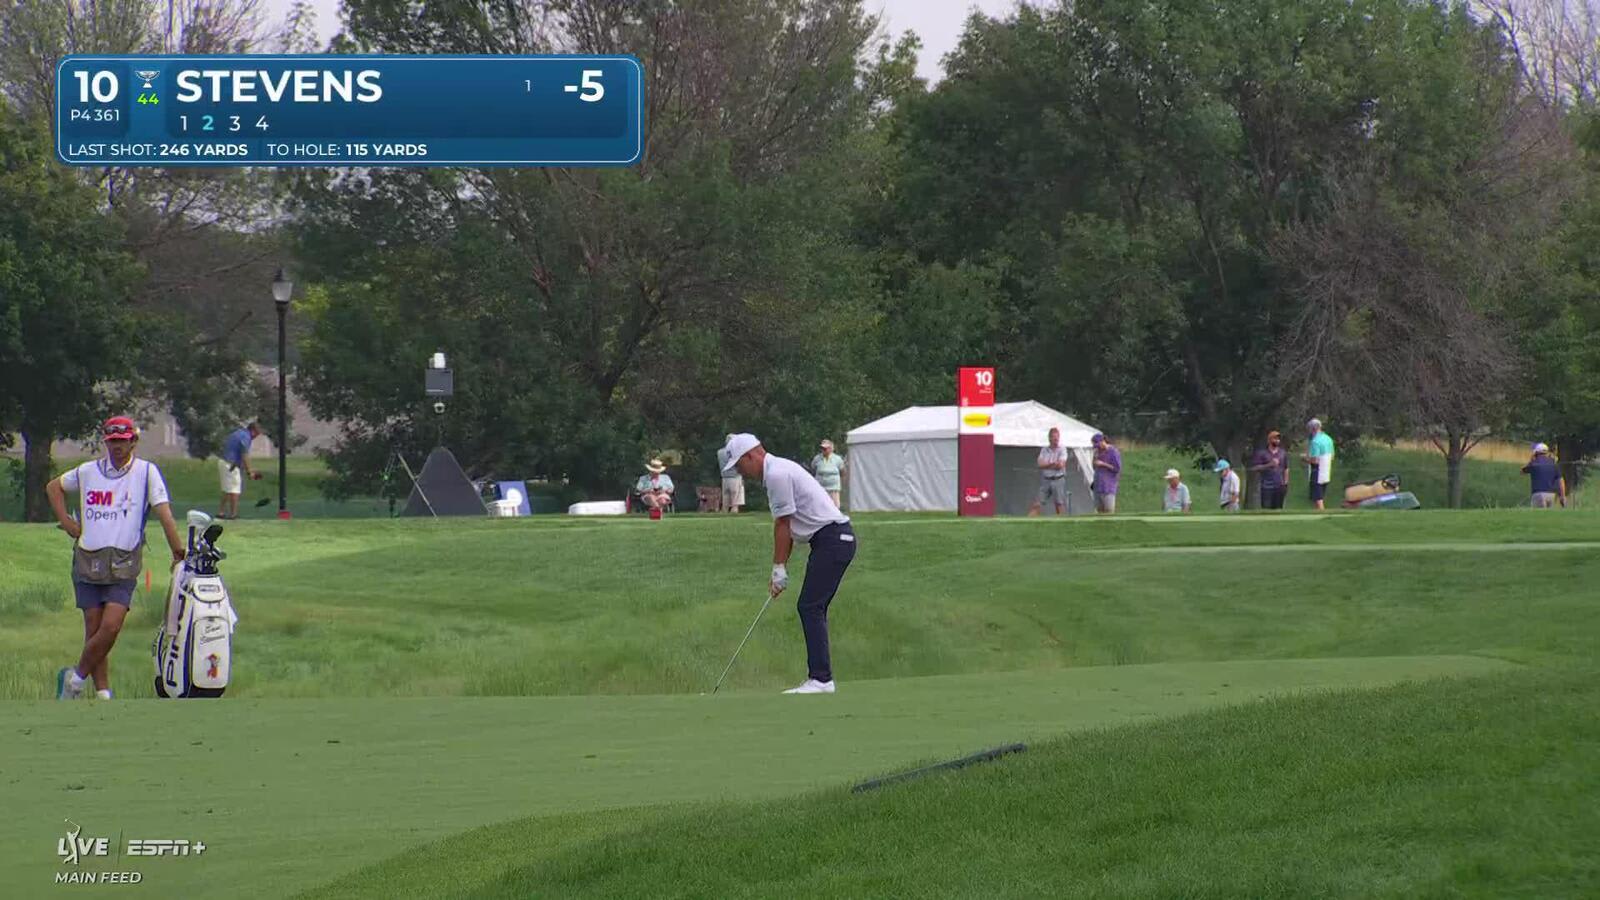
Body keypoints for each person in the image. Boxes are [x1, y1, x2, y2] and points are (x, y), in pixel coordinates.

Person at [45, 417, 185, 700]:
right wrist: (67, 522)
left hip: (123, 561)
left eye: (123, 441)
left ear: (133, 441)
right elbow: (53, 487)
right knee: (94, 630)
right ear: (106, 442)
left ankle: (74, 680)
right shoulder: (88, 471)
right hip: (88, 559)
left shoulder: (146, 473)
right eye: (112, 442)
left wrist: (177, 552)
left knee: (110, 628)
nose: (117, 447)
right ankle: (103, 695)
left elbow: (164, 514)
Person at [722, 433, 854, 695]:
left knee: (810, 607)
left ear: (751, 456)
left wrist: (779, 569)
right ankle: (821, 678)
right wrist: (780, 567)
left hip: (833, 539)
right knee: (812, 607)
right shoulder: (778, 470)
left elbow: (783, 525)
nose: (741, 472)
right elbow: (787, 524)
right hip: (831, 540)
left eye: (740, 465)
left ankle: (821, 680)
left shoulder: (776, 474)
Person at [218, 422, 262, 520]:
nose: (256, 437)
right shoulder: (246, 437)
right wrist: (250, 472)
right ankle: (233, 514)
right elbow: (244, 455)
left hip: (224, 462)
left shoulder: (238, 433)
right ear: (253, 431)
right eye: (257, 434)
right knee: (234, 489)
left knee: (226, 489)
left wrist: (247, 469)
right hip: (231, 465)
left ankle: (221, 512)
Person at [1029, 427, 1070, 516]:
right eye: (1054, 437)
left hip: (1058, 479)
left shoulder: (1062, 449)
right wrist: (1052, 464)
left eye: (1057, 437)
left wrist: (1047, 465)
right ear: (1049, 438)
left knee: (1059, 504)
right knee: (1037, 503)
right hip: (1046, 480)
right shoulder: (1044, 450)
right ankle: (1029, 522)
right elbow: (1040, 464)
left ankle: (1062, 524)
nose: (1056, 440)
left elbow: (1060, 465)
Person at [1251, 430, 1290, 510]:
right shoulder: (1262, 453)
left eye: (1278, 439)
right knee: (1266, 509)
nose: (1277, 441)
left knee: (1279, 509)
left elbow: (1286, 468)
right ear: (1269, 440)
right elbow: (1255, 468)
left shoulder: (1282, 453)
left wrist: (1285, 483)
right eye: (1274, 438)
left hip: (1279, 485)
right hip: (1266, 486)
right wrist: (1269, 465)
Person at [1302, 418, 1335, 511]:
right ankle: (1318, 513)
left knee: (1318, 498)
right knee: (1320, 496)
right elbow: (1332, 456)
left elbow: (1315, 460)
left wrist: (1305, 459)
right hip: (1326, 471)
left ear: (1312, 429)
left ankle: (1322, 514)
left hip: (1317, 471)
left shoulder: (1315, 441)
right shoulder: (1328, 439)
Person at [1523, 443, 1567, 508]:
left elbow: (1522, 471)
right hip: (1551, 495)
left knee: (1539, 516)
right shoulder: (1553, 464)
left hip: (1538, 494)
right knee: (1549, 516)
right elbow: (1561, 481)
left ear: (1536, 452)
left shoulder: (1534, 463)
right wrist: (1562, 496)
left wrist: (1531, 459)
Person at [810, 439, 847, 509]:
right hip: (820, 487)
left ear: (831, 449)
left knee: (835, 506)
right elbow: (813, 470)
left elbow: (843, 471)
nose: (823, 450)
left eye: (825, 448)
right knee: (821, 506)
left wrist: (840, 482)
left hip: (834, 488)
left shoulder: (837, 459)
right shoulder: (817, 458)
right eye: (822, 448)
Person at [1090, 433, 1121, 514]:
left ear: (1103, 441)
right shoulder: (1097, 452)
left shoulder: (1113, 452)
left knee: (1108, 511)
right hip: (1098, 486)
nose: (1097, 447)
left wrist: (1103, 464)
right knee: (1099, 511)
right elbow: (1094, 467)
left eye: (1098, 445)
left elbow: (1117, 469)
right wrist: (1094, 460)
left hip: (1108, 487)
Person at [719, 434, 745, 513]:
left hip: (724, 477)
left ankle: (724, 512)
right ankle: (734, 512)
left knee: (725, 499)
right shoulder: (735, 453)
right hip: (735, 477)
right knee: (735, 501)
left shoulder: (720, 452)